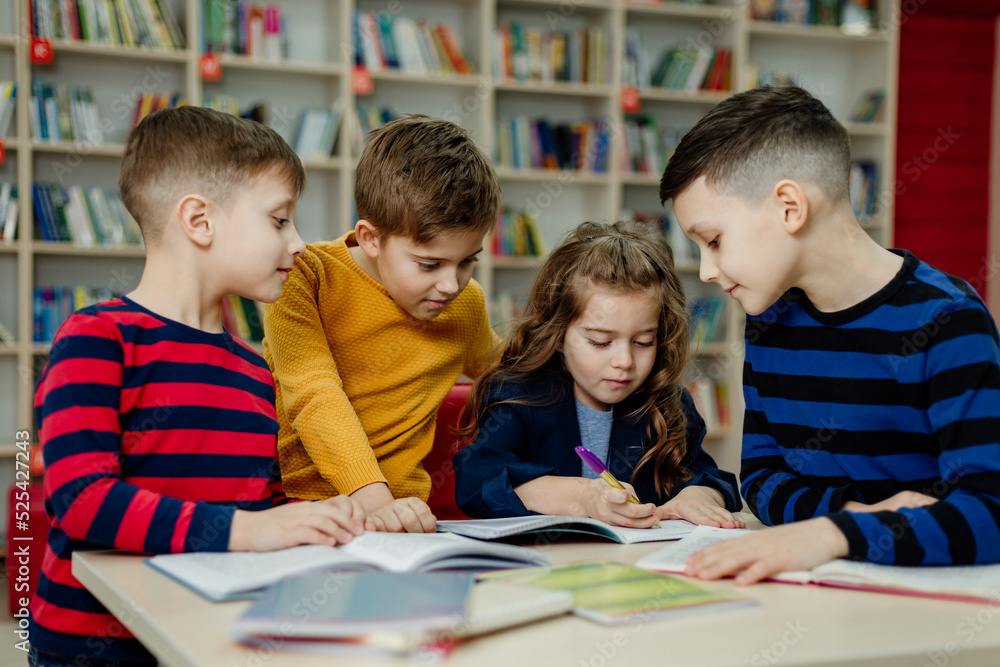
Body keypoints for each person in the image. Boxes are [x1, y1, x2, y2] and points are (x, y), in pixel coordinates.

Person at [29, 107, 368, 667]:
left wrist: (323, 522)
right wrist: (253, 531)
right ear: (199, 221)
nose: (300, 244)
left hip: (215, 635)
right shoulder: (96, 339)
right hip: (94, 650)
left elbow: (261, 507)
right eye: (280, 220)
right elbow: (80, 500)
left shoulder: (257, 371)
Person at [658, 84, 1000, 584]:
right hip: (815, 592)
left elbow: (989, 514)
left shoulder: (948, 320)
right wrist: (858, 514)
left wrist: (831, 533)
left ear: (790, 208)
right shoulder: (769, 322)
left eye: (713, 240)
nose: (706, 271)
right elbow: (760, 478)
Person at [263, 114, 502, 533]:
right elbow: (314, 393)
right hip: (301, 506)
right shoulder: (305, 276)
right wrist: (375, 501)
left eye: (467, 261)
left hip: (406, 520)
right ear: (371, 239)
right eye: (430, 264)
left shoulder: (467, 304)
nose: (451, 284)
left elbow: (509, 373)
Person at [453, 220, 743, 528]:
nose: (624, 361)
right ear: (558, 335)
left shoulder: (668, 403)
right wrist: (584, 497)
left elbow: (713, 478)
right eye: (600, 342)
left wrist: (697, 497)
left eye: (644, 342)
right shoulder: (517, 395)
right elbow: (478, 481)